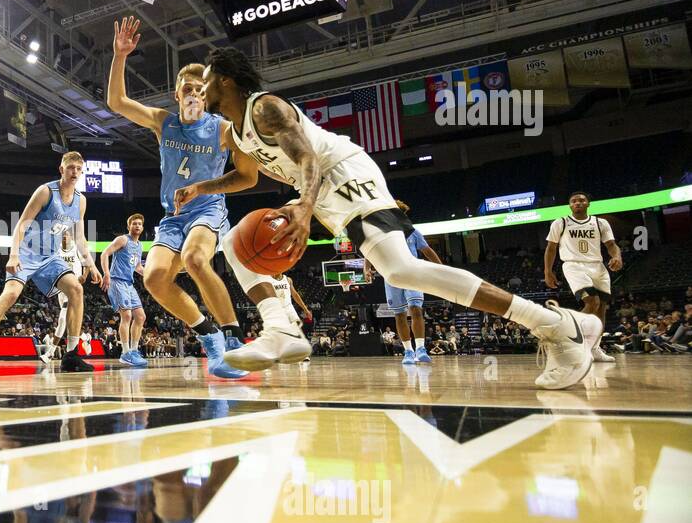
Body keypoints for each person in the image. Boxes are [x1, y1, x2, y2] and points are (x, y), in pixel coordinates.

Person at [188, 46, 601, 389]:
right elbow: (245, 176)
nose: (200, 89)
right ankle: (282, 329)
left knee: (401, 270)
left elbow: (308, 157)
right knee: (234, 243)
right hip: (318, 191)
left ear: (225, 80)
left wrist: (306, 206)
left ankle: (555, 325)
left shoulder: (265, 109)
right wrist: (200, 189)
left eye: (204, 80)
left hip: (341, 173)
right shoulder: (236, 129)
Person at [106, 16, 246, 379]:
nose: (194, 95)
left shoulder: (222, 128)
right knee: (153, 279)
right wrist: (120, 55)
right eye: (188, 89)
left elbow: (246, 177)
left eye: (201, 89)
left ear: (207, 95)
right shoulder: (163, 122)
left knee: (196, 259)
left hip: (208, 209)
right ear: (178, 94)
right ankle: (209, 336)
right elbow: (117, 101)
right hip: (173, 217)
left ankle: (233, 340)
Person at [0, 151, 99, 373]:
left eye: (78, 169)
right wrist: (13, 254)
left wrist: (90, 263)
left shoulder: (81, 201)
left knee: (76, 290)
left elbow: (79, 236)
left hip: (51, 257)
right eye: (71, 167)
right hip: (27, 253)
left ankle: (71, 354)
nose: (74, 172)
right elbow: (22, 224)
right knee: (11, 294)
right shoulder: (45, 192)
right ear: (61, 169)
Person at [362, 200, 445, 365]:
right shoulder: (381, 232)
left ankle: (420, 348)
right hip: (391, 275)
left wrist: (442, 269)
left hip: (413, 274)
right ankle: (408, 351)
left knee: (416, 309)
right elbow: (370, 250)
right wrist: (366, 268)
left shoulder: (412, 232)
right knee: (399, 314)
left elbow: (427, 250)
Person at [544, 192, 622, 363]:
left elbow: (611, 245)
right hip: (574, 265)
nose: (578, 202)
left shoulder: (600, 223)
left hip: (598, 266)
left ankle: (594, 348)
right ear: (570, 205)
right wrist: (548, 271)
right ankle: (566, 336)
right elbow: (551, 248)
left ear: (588, 204)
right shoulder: (561, 222)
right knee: (592, 302)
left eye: (582, 200)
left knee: (601, 308)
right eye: (574, 201)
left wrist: (617, 257)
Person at [100, 213, 148, 367]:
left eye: (140, 223)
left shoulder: (139, 245)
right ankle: (125, 353)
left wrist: (151, 275)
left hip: (129, 283)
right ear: (129, 226)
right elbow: (104, 253)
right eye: (134, 223)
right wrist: (106, 274)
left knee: (140, 317)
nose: (137, 226)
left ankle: (133, 351)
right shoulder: (123, 239)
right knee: (126, 315)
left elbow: (138, 267)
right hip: (116, 281)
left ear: (142, 227)